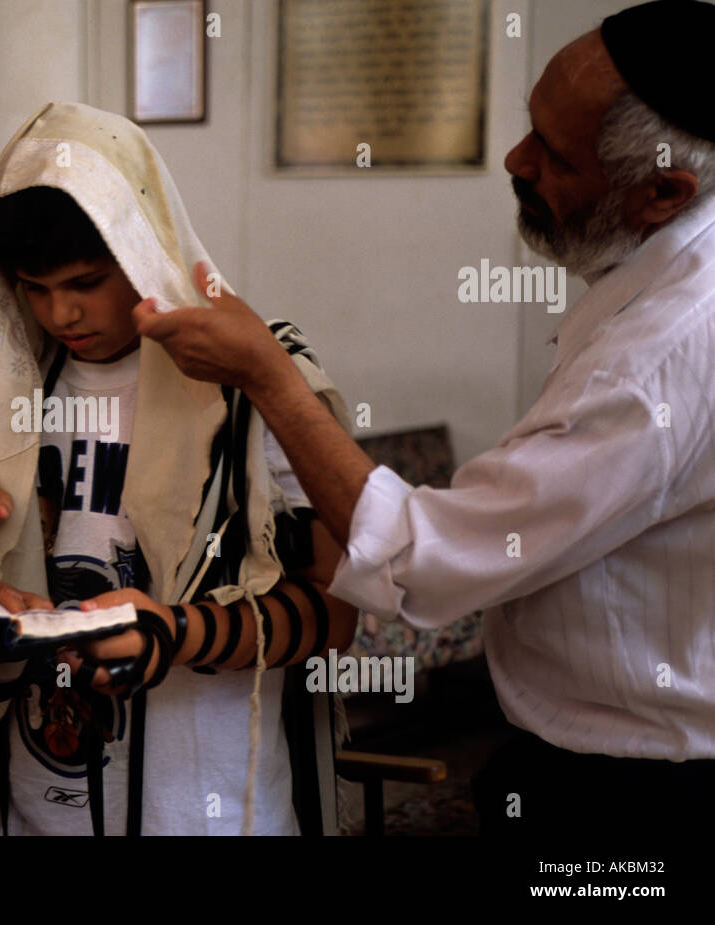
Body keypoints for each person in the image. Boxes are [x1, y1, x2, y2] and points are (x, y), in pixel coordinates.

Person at [139, 0, 715, 835]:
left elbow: (427, 563)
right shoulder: (670, 272)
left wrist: (269, 377)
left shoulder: (662, 354)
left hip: (638, 798)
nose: (515, 160)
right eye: (529, 128)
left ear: (663, 190)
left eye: (553, 155)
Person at [0, 102, 358, 835]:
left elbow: (335, 611)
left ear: (145, 249)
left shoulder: (249, 381)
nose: (61, 314)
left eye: (84, 280)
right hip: (35, 790)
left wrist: (175, 632)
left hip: (205, 797)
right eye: (35, 288)